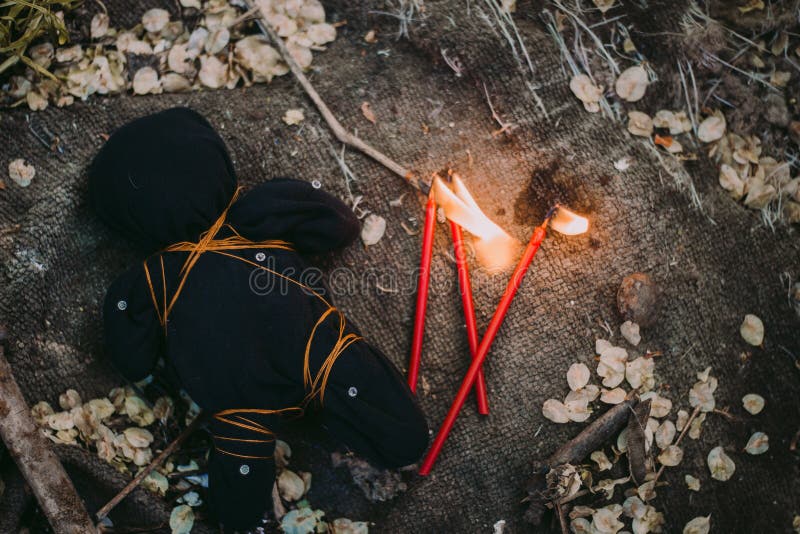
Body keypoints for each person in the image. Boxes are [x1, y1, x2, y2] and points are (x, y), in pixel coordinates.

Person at [89, 107, 428, 529]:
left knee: (238, 483)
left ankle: (239, 519)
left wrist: (137, 350)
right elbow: (338, 222)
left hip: (240, 395)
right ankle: (405, 438)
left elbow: (128, 348)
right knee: (384, 413)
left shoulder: (155, 275)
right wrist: (295, 195)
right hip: (311, 351)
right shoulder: (251, 214)